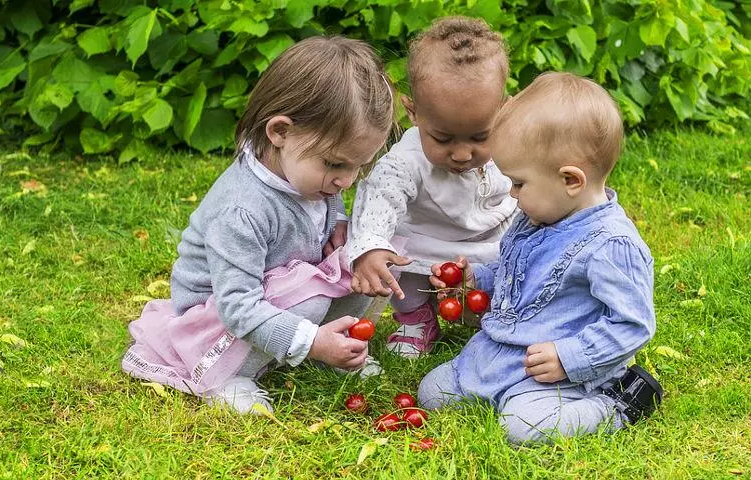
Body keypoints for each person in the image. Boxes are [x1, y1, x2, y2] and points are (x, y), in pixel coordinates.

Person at [121, 36, 395, 414]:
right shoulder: (242, 209)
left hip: (285, 285)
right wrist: (309, 338)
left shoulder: (309, 173)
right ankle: (229, 377)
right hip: (220, 318)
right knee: (312, 303)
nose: (346, 181)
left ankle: (331, 346)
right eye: (336, 164)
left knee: (366, 261)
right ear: (280, 132)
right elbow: (238, 307)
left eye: (358, 167)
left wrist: (342, 228)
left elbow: (331, 206)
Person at [417, 72, 663, 444]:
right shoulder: (538, 216)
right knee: (431, 394)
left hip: (553, 371)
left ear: (570, 181)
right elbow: (516, 272)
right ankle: (498, 389)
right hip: (498, 353)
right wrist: (477, 281)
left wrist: (570, 356)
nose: (512, 194)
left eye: (519, 183)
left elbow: (633, 323)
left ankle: (617, 405)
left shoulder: (610, 245)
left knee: (522, 428)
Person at [347, 16, 518, 358]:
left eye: (479, 136)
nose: (462, 153)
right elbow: (380, 200)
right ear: (413, 112)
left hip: (490, 244)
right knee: (399, 264)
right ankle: (415, 317)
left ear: (504, 110)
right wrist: (371, 247)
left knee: (513, 273)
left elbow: (529, 189)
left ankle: (493, 314)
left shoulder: (514, 144)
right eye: (442, 137)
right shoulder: (406, 161)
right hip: (424, 246)